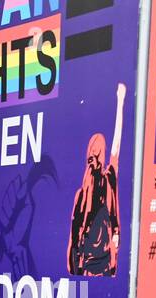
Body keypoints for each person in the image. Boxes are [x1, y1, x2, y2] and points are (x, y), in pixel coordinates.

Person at [68, 82, 125, 277]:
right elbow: (117, 145)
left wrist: (75, 269)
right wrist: (121, 101)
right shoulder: (109, 179)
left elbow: (74, 239)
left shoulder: (82, 194)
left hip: (88, 266)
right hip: (107, 262)